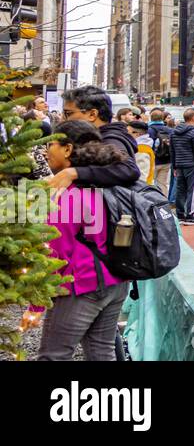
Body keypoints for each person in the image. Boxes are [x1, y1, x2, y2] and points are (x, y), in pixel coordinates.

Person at [21, 121, 131, 361]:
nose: (45, 151)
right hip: (116, 281)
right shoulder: (107, 182)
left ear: (68, 150)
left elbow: (54, 252)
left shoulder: (67, 196)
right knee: (102, 352)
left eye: (50, 144)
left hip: (81, 286)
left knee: (54, 355)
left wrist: (36, 306)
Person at [51, 86, 141, 192]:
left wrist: (75, 173)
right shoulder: (96, 136)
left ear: (92, 114)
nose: (63, 119)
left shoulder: (110, 138)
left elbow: (128, 169)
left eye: (68, 113)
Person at [168, 109, 194, 225]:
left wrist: (174, 166)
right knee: (193, 190)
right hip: (192, 165)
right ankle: (190, 215)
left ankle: (180, 214)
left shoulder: (174, 133)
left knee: (181, 190)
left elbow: (172, 151)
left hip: (179, 164)